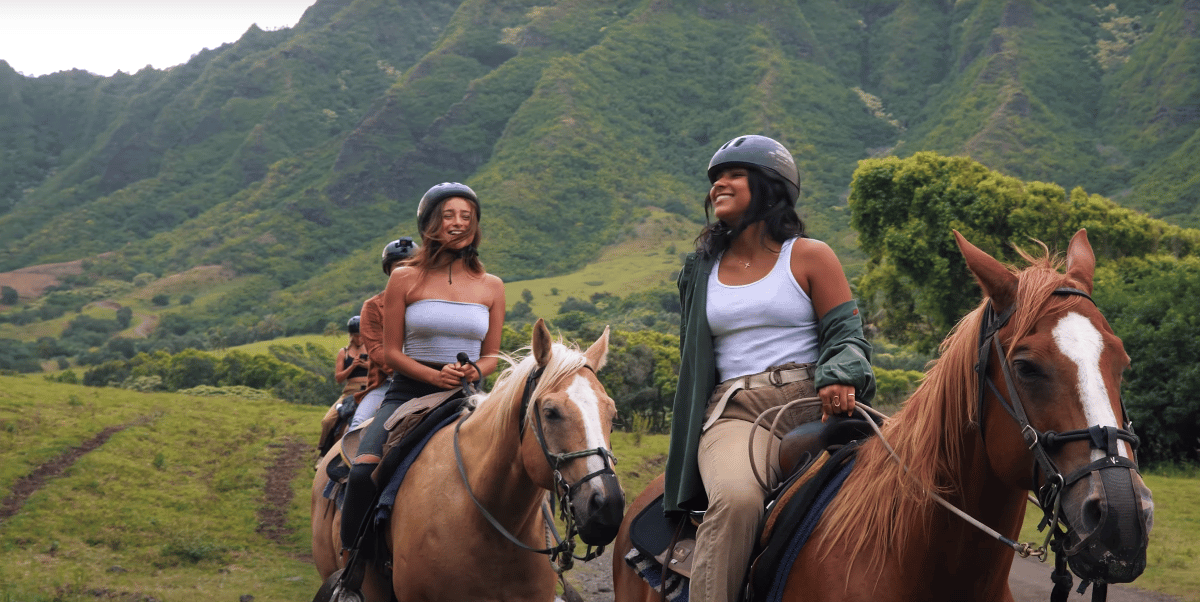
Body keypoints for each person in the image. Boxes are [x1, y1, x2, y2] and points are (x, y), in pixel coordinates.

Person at [662, 135, 876, 602]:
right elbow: (695, 360)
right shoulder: (699, 271)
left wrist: (840, 374)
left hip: (817, 401)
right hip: (740, 413)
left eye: (735, 174)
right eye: (716, 177)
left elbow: (847, 335)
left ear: (770, 187)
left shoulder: (811, 255)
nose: (720, 183)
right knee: (737, 500)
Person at [339, 182, 506, 562]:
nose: (458, 223)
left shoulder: (492, 286)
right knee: (364, 471)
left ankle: (545, 564)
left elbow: (492, 357)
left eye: (467, 216)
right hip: (409, 393)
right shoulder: (403, 278)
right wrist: (433, 377)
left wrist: (472, 371)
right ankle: (352, 565)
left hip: (468, 395)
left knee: (523, 464)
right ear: (430, 224)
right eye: (449, 215)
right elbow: (392, 352)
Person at [350, 236, 419, 430]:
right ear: (389, 270)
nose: (406, 271)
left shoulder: (430, 302)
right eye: (399, 266)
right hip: (390, 383)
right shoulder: (373, 307)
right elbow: (377, 351)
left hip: (434, 379)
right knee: (358, 424)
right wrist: (414, 372)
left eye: (411, 266)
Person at [318, 316, 371, 454]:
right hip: (350, 392)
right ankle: (323, 451)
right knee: (327, 421)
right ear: (351, 335)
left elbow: (381, 368)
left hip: (370, 389)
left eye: (360, 335)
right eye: (355, 336)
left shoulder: (371, 349)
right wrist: (352, 366)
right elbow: (339, 378)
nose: (358, 339)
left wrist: (365, 365)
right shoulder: (344, 352)